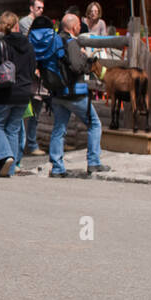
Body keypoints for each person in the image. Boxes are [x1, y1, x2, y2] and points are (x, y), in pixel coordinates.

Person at [49, 14, 112, 178]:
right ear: (72, 27)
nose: (80, 27)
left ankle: (57, 167)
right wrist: (85, 57)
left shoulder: (54, 41)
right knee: (95, 124)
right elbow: (78, 67)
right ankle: (93, 162)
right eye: (78, 24)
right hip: (73, 94)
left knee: (59, 129)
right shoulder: (71, 43)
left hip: (56, 93)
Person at [0, 11, 36, 177]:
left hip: (4, 93)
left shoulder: (0, 46)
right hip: (24, 93)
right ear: (17, 25)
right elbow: (32, 68)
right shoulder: (28, 45)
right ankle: (10, 169)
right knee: (13, 130)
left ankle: (6, 156)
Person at [20, 0, 47, 158]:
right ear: (31, 8)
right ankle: (25, 144)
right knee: (25, 112)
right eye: (38, 7)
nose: (41, 10)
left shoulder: (41, 24)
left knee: (35, 112)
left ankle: (30, 143)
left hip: (37, 77)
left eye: (42, 8)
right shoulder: (25, 23)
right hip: (28, 74)